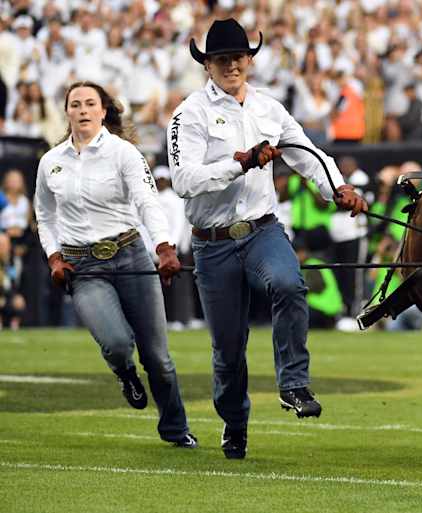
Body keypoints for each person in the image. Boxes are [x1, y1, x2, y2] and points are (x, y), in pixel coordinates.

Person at [167, 18, 368, 460]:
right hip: (212, 242)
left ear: (249, 60)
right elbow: (183, 180)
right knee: (227, 349)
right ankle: (234, 422)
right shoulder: (188, 114)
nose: (231, 65)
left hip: (261, 229)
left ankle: (294, 384)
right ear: (208, 65)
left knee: (289, 283)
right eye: (222, 59)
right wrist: (239, 164)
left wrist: (337, 189)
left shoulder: (269, 109)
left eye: (238, 57)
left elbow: (308, 155)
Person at [33, 81, 196, 449]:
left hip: (130, 255)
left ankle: (175, 429)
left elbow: (146, 202)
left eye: (90, 103)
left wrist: (165, 248)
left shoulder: (124, 153)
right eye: (76, 104)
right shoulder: (51, 162)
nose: (83, 110)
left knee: (158, 358)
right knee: (118, 343)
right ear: (68, 112)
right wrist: (54, 256)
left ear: (104, 110)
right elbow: (44, 215)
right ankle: (124, 372)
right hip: (83, 266)